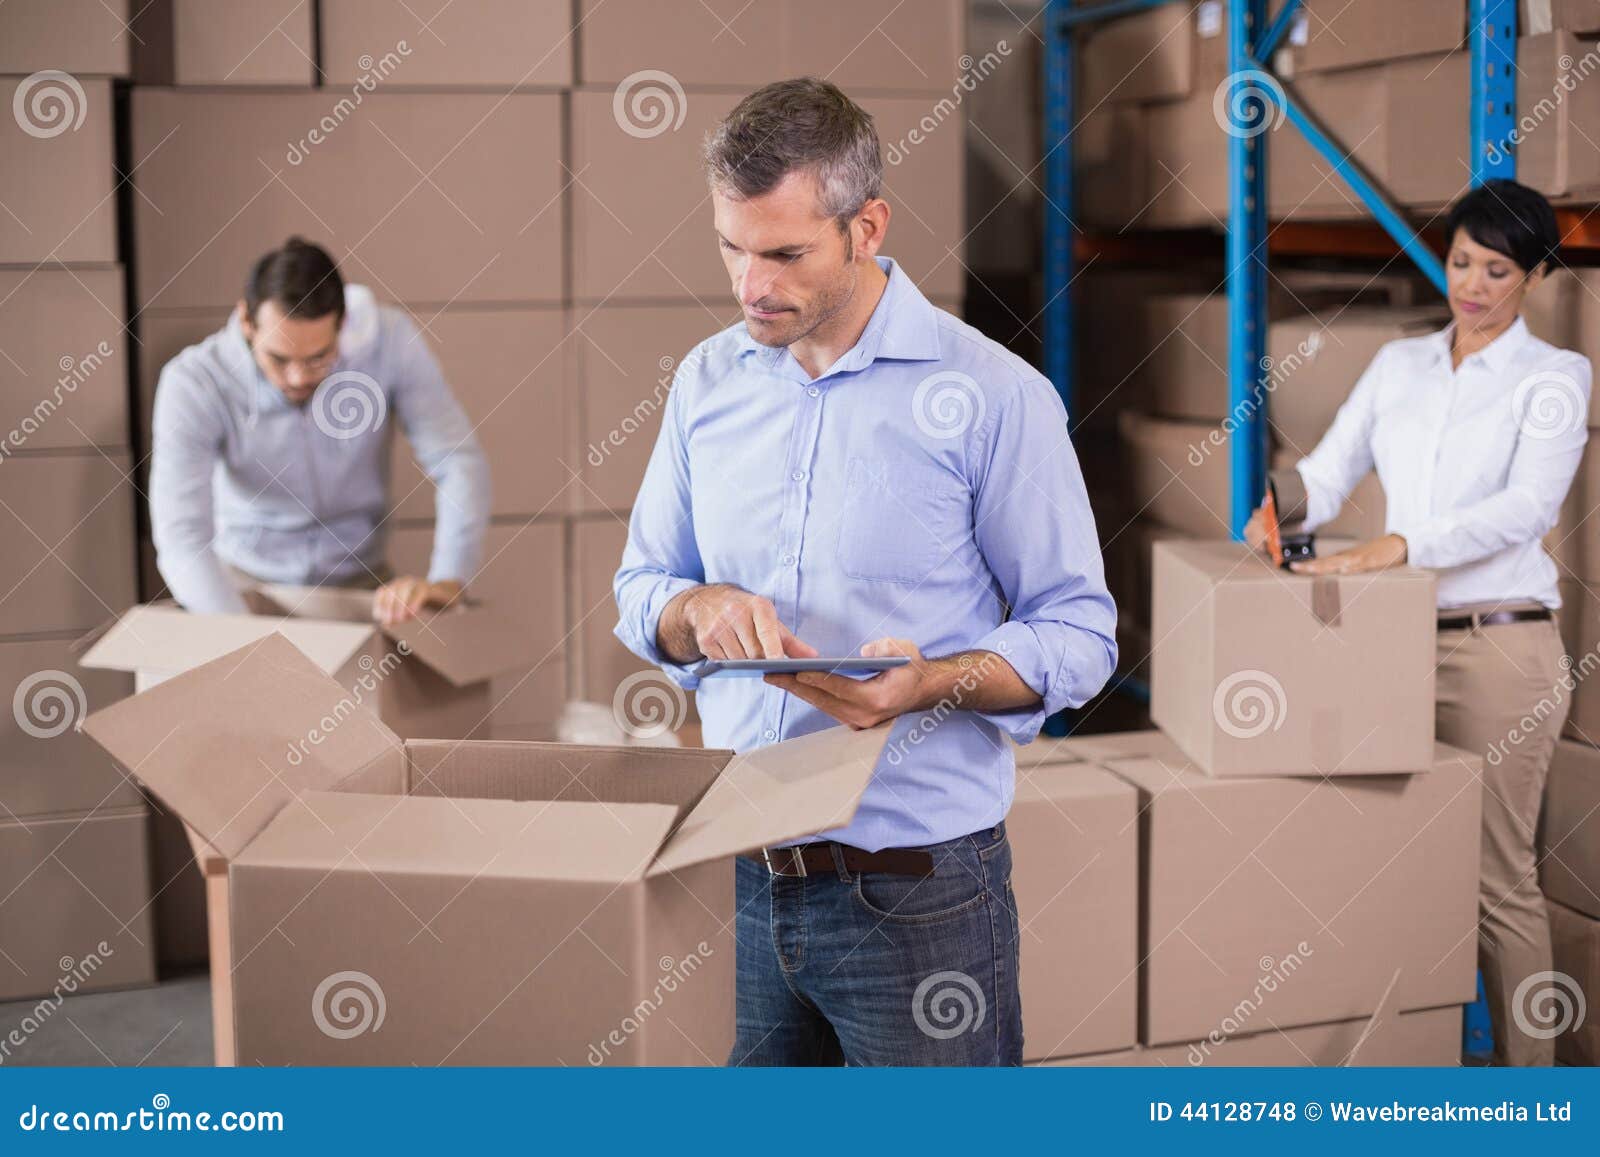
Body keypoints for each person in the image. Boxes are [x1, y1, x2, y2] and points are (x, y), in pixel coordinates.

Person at [612, 78, 1117, 1067]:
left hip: (919, 892)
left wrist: (928, 682)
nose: (750, 284)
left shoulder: (991, 396)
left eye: (785, 252)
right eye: (731, 246)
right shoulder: (705, 384)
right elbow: (642, 589)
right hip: (742, 874)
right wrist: (698, 607)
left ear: (865, 226)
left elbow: (1079, 633)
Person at [1245, 180, 1590, 1066]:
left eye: (1498, 269)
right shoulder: (1400, 366)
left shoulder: (1555, 377)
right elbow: (1325, 472)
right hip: (1389, 645)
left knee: (1495, 881)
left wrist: (1394, 546)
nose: (1472, 285)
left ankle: (1533, 1108)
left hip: (1498, 649)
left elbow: (1525, 509)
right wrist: (1281, 503)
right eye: (1461, 261)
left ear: (1537, 275)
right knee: (1384, 862)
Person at [149, 238, 490, 625]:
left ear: (342, 325)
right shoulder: (195, 381)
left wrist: (450, 578)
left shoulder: (390, 342)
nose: (296, 378)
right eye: (279, 358)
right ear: (246, 322)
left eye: (318, 358)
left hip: (362, 587)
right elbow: (182, 537)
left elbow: (457, 459)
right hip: (245, 590)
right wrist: (242, 640)